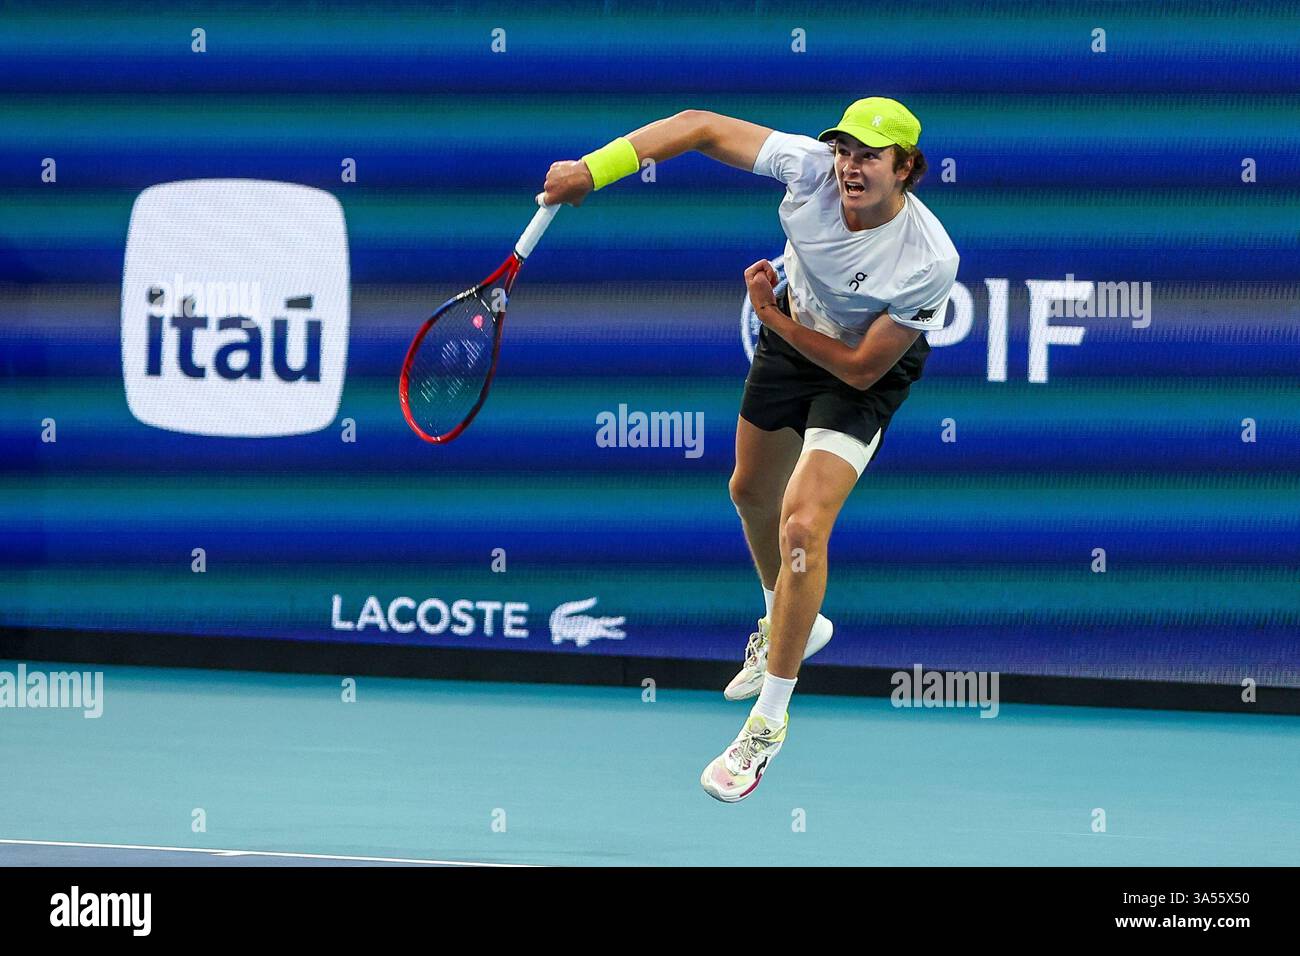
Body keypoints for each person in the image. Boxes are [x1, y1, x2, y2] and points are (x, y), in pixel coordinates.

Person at [542, 97, 959, 802]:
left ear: (906, 168)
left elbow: (860, 366)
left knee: (802, 524)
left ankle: (767, 724)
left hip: (859, 371)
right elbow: (699, 126)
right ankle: (788, 618)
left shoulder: (929, 259)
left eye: (870, 156)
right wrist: (595, 170)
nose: (851, 168)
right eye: (845, 151)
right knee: (749, 492)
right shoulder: (811, 172)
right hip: (792, 331)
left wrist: (768, 314)